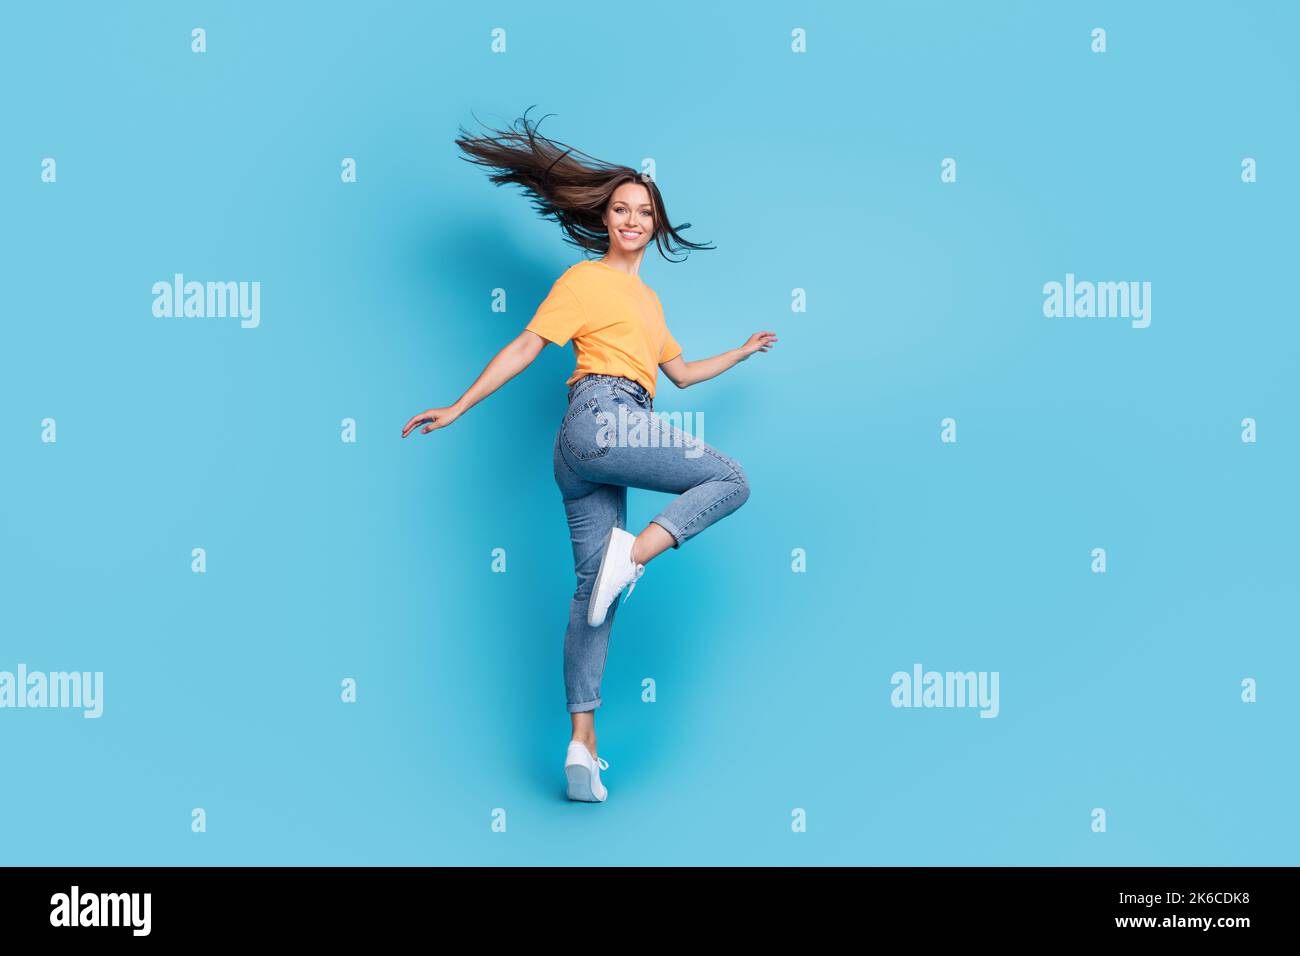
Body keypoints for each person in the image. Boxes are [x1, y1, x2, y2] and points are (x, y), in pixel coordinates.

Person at [402, 108, 777, 802]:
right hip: (602, 419)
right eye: (621, 209)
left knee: (592, 599)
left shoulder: (650, 301)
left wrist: (745, 351)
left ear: (656, 224)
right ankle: (629, 559)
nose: (631, 220)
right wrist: (457, 405)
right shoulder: (583, 281)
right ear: (605, 219)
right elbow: (526, 346)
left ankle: (582, 746)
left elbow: (684, 374)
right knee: (729, 479)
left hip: (585, 447)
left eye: (643, 211)